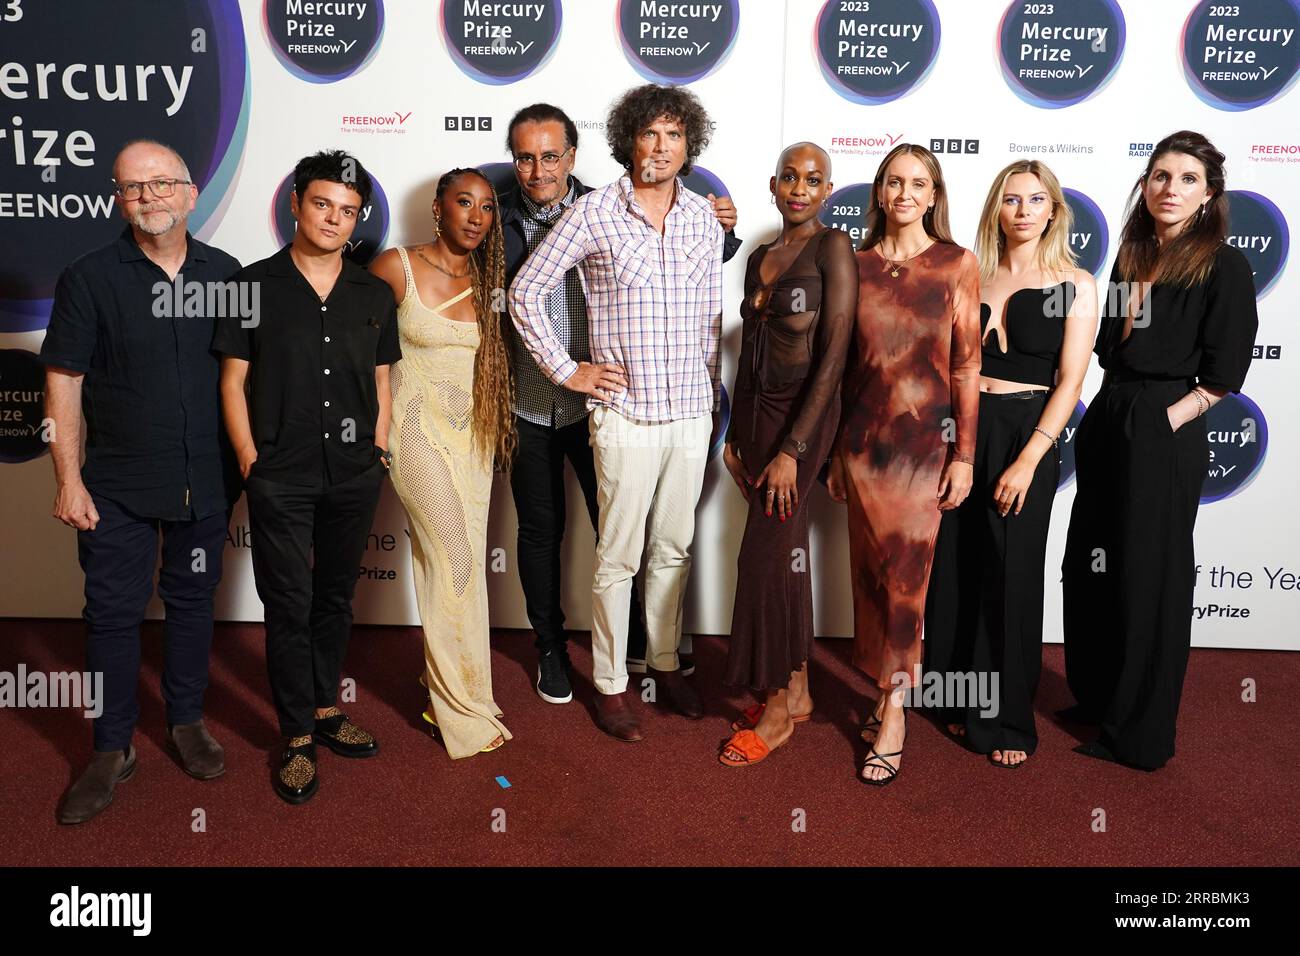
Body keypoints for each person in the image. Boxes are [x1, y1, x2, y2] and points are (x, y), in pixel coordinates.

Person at [499, 102, 741, 705]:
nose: (660, 147)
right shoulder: (593, 211)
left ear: (689, 145)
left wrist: (708, 393)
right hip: (624, 416)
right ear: (627, 143)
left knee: (673, 548)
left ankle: (661, 662)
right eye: (649, 134)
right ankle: (609, 681)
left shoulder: (703, 220)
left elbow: (712, 314)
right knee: (618, 555)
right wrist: (568, 371)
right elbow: (524, 293)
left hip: (689, 414)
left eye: (674, 135)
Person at [41, 139, 240, 825]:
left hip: (206, 482)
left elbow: (247, 381)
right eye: (132, 188)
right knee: (113, 616)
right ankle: (110, 747)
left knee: (191, 604)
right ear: (118, 199)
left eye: (161, 185)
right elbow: (64, 378)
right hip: (117, 485)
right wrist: (68, 479)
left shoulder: (228, 273)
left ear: (189, 193)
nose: (148, 198)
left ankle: (186, 724)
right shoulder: (90, 277)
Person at [1062, 131, 1257, 771]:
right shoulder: (1131, 255)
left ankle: (1139, 736)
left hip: (1163, 424)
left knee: (1151, 579)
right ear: (1145, 185)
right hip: (1110, 411)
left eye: (1187, 179)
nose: (1170, 189)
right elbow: (1107, 347)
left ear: (1208, 195)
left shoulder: (1224, 266)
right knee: (1090, 567)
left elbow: (1225, 371)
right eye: (1160, 176)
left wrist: (1167, 420)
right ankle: (1097, 698)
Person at [215, 149, 401, 804]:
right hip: (280, 475)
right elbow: (232, 381)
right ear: (296, 205)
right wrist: (246, 455)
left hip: (353, 473)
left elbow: (383, 379)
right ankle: (295, 733)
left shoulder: (374, 293)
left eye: (347, 211)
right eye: (322, 204)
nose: (333, 219)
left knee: (334, 599)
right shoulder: (251, 286)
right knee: (288, 602)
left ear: (358, 220)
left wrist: (377, 449)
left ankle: (325, 708)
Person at [923, 160, 1097, 768]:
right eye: (1011, 199)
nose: (1023, 210)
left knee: (1011, 573)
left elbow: (1071, 381)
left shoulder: (1077, 283)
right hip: (968, 426)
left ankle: (1004, 721)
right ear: (997, 208)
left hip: (1030, 432)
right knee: (956, 563)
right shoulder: (974, 274)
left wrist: (1028, 460)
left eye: (1035, 199)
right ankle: (948, 692)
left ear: (1053, 209)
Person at [827, 143, 981, 785]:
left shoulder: (955, 265)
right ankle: (885, 690)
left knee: (905, 588)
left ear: (934, 193)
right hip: (861, 449)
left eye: (919, 182)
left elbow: (966, 364)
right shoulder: (853, 265)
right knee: (868, 581)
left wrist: (964, 455)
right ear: (880, 192)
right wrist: (834, 452)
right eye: (895, 181)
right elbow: (836, 369)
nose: (905, 193)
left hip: (923, 453)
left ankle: (894, 708)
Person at [717, 143, 856, 767]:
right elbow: (748, 351)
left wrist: (795, 452)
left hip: (804, 422)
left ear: (827, 190)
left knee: (765, 561)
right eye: (791, 178)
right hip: (757, 421)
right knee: (786, 556)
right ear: (774, 186)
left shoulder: (833, 249)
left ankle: (776, 710)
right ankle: (797, 688)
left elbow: (834, 354)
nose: (801, 188)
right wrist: (734, 438)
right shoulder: (759, 257)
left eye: (814, 179)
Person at [370, 168, 514, 758]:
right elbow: (359, 353)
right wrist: (374, 426)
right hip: (414, 434)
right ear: (437, 209)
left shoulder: (490, 279)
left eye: (486, 206)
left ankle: (460, 689)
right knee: (452, 559)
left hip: (473, 439)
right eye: (464, 202)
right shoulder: (393, 268)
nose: (476, 216)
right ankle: (459, 709)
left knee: (464, 569)